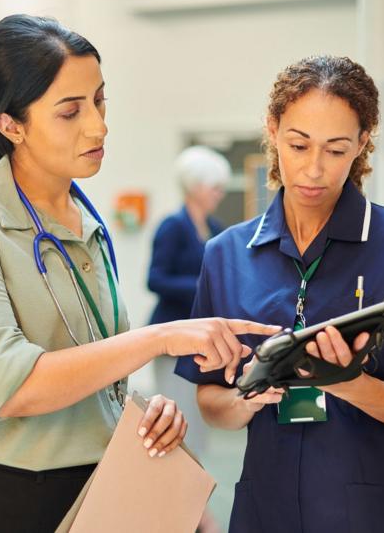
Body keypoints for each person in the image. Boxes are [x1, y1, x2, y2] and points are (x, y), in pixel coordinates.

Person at [0, 14, 278, 533]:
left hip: (98, 489)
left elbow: (96, 370)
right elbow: (12, 387)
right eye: (70, 112)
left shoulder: (86, 219)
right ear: (11, 125)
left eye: (100, 100)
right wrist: (161, 337)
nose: (98, 125)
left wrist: (143, 411)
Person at [175, 55, 384, 533]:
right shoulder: (226, 253)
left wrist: (346, 381)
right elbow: (212, 401)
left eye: (335, 150)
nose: (313, 169)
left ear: (362, 143)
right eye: (298, 145)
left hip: (371, 511)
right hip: (263, 508)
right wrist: (247, 397)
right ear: (273, 131)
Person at [147, 145, 230, 533]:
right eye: (213, 186)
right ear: (195, 186)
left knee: (196, 433)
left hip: (202, 349)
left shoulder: (213, 229)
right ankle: (200, 517)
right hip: (171, 345)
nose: (218, 193)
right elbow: (156, 278)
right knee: (177, 432)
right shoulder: (172, 226)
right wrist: (201, 285)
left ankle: (190, 511)